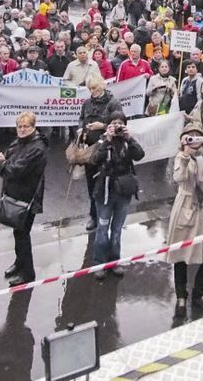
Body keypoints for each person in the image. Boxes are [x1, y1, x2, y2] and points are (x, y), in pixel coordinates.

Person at [166, 124, 203, 318]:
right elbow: (178, 178)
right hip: (185, 207)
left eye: (197, 136)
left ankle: (199, 293)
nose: (193, 139)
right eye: (189, 136)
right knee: (180, 255)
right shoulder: (180, 157)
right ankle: (181, 296)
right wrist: (185, 156)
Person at [0, 111, 48, 287]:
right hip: (16, 194)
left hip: (28, 198)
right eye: (20, 126)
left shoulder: (37, 148)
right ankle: (19, 263)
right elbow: (9, 157)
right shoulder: (19, 142)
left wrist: (3, 163)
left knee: (23, 235)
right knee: (17, 233)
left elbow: (16, 171)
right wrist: (1, 159)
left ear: (33, 127)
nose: (22, 130)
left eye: (26, 126)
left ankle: (28, 273)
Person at [90, 111, 145, 280]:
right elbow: (94, 159)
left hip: (123, 192)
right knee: (102, 229)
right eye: (114, 123)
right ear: (108, 126)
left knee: (116, 229)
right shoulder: (102, 141)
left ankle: (114, 261)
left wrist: (129, 138)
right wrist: (107, 140)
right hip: (105, 192)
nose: (117, 126)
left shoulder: (127, 142)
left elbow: (140, 155)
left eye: (120, 123)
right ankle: (99, 263)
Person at [76, 75, 124, 231]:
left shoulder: (113, 103)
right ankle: (94, 216)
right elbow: (81, 119)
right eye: (90, 89)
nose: (92, 91)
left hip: (108, 150)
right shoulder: (87, 103)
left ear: (102, 85)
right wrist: (80, 129)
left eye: (95, 88)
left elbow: (120, 125)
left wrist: (102, 126)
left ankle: (107, 215)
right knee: (91, 185)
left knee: (106, 185)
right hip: (90, 150)